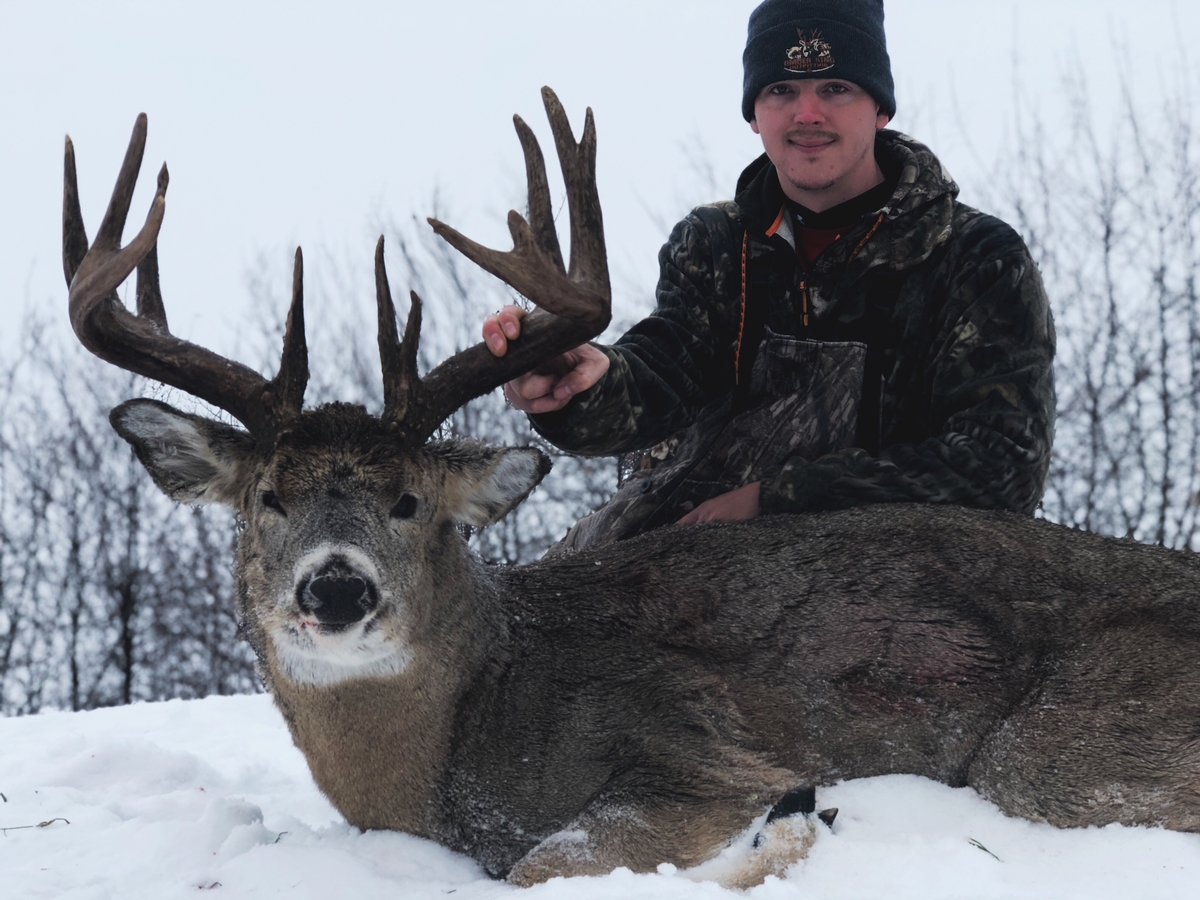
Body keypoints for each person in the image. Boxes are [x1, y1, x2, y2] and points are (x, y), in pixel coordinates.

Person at [483, 0, 1055, 549]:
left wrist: (778, 499)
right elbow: (660, 378)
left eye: (836, 87)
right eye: (782, 89)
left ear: (879, 108)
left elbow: (1003, 466)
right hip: (698, 566)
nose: (808, 114)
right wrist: (580, 382)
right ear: (754, 115)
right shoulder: (713, 244)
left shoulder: (974, 257)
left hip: (897, 583)